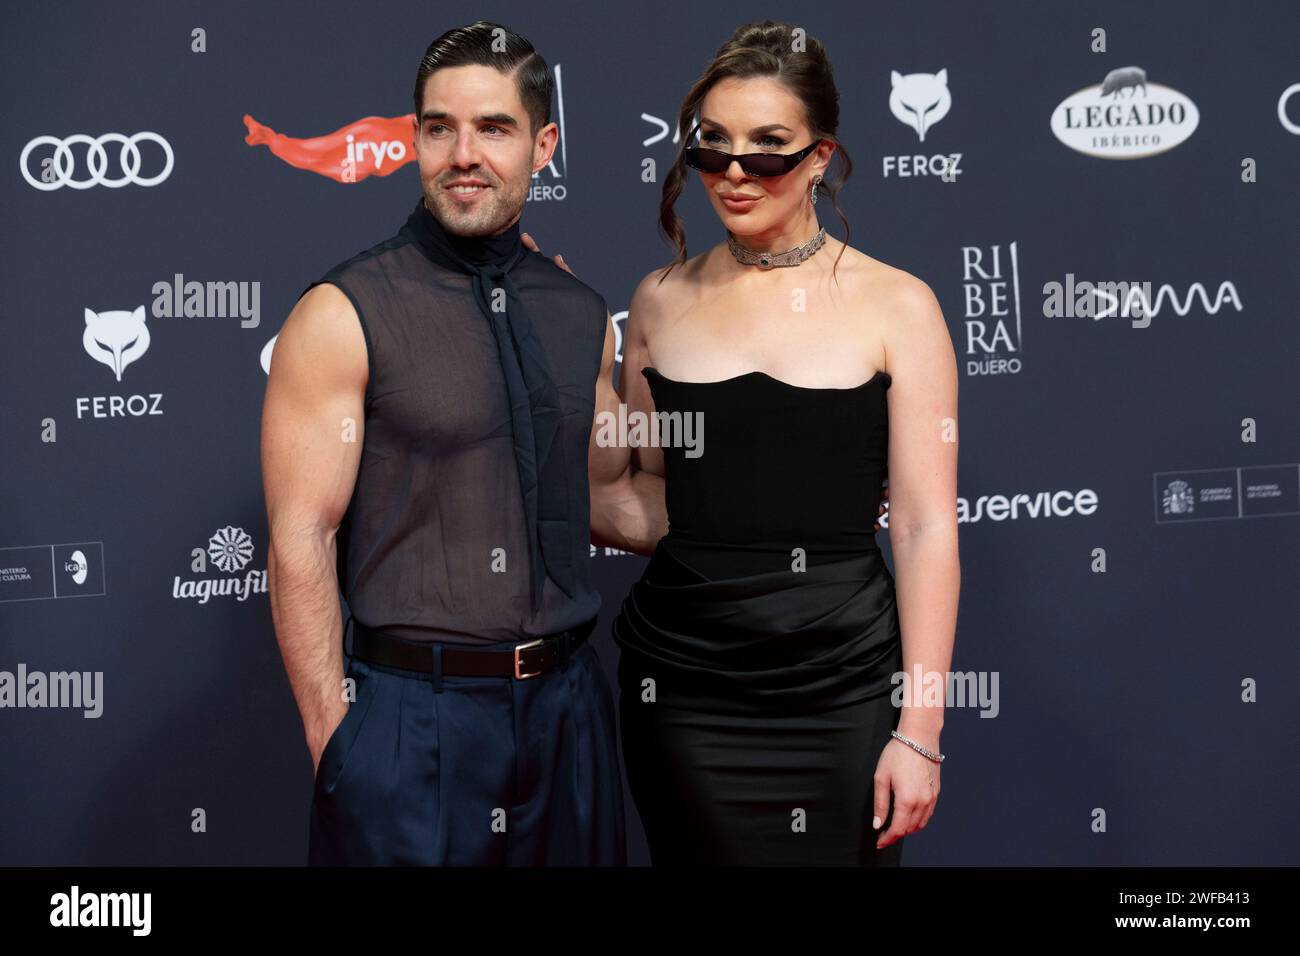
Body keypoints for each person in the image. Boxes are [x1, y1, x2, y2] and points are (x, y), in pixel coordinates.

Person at [588, 20, 961, 865]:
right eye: (711, 146)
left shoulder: (898, 307)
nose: (732, 172)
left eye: (768, 148)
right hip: (684, 688)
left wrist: (922, 729)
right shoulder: (658, 301)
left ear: (821, 156)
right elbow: (647, 500)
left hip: (842, 688)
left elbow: (925, 528)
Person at [260, 21, 628, 866]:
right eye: (438, 128)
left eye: (493, 128)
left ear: (544, 144)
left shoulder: (578, 313)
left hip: (571, 714)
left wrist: (783, 506)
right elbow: (299, 536)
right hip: (411, 724)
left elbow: (608, 501)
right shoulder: (342, 311)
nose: (463, 154)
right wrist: (336, 746)